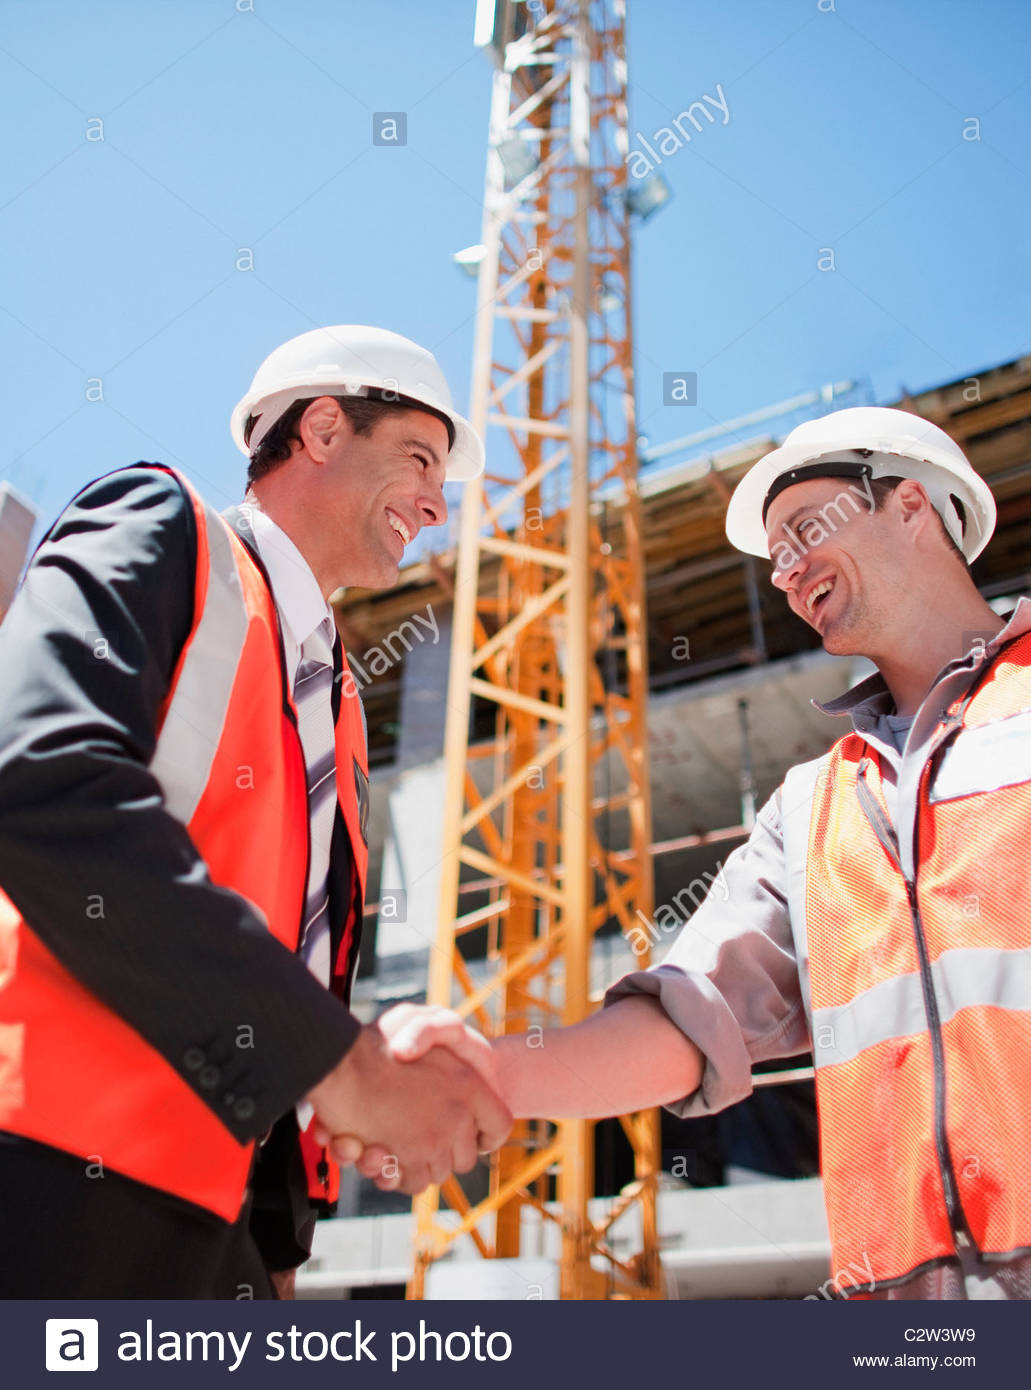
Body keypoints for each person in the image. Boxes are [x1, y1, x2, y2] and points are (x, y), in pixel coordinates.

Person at [332, 406, 1031, 1301]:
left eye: (804, 530)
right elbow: (688, 1020)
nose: (785, 572)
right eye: (773, 555)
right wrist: (493, 1068)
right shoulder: (814, 806)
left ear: (909, 505)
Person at [0, 324, 512, 1299]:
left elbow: (300, 959)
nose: (435, 506)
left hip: (217, 1226)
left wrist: (274, 1243)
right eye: (418, 459)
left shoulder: (339, 703)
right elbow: (35, 772)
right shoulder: (162, 525)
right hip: (49, 1162)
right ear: (321, 427)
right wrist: (339, 1066)